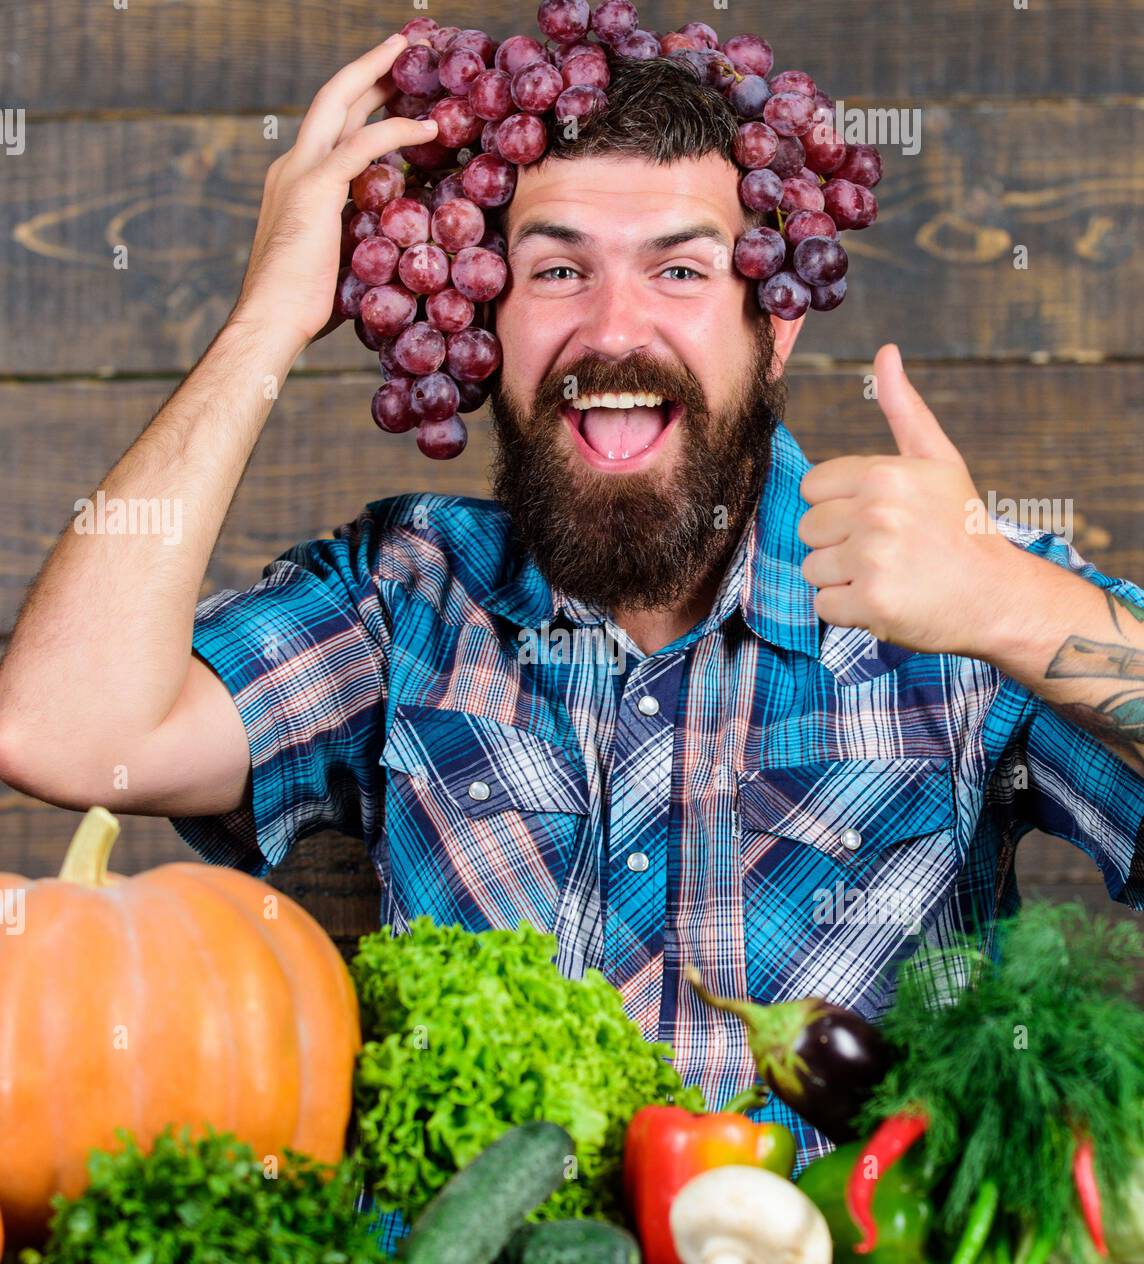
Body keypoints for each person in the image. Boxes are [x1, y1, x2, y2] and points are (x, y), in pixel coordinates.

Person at [1, 36, 1141, 1178]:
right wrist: (265, 324)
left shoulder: (959, 607)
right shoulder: (403, 600)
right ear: (483, 324)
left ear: (775, 323)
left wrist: (1010, 603)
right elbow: (61, 729)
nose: (610, 329)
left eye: (680, 271)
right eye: (554, 271)